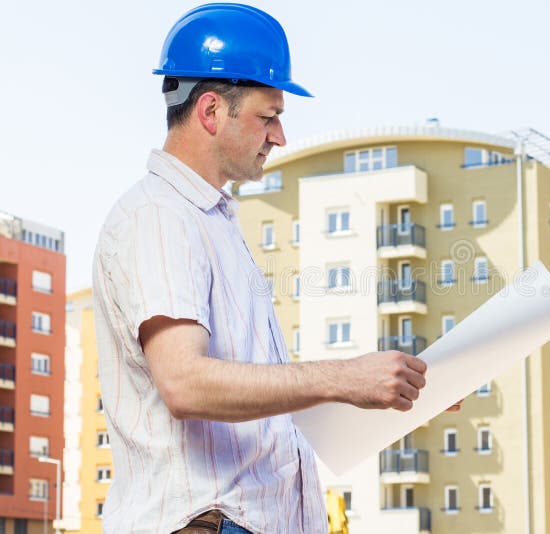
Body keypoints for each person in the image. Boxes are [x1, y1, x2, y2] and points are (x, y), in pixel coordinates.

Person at [92, 4, 457, 533]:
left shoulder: (210, 220)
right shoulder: (160, 216)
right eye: (268, 116)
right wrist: (345, 376)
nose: (280, 136)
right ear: (212, 111)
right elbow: (185, 383)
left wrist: (387, 387)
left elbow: (258, 405)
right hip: (210, 523)